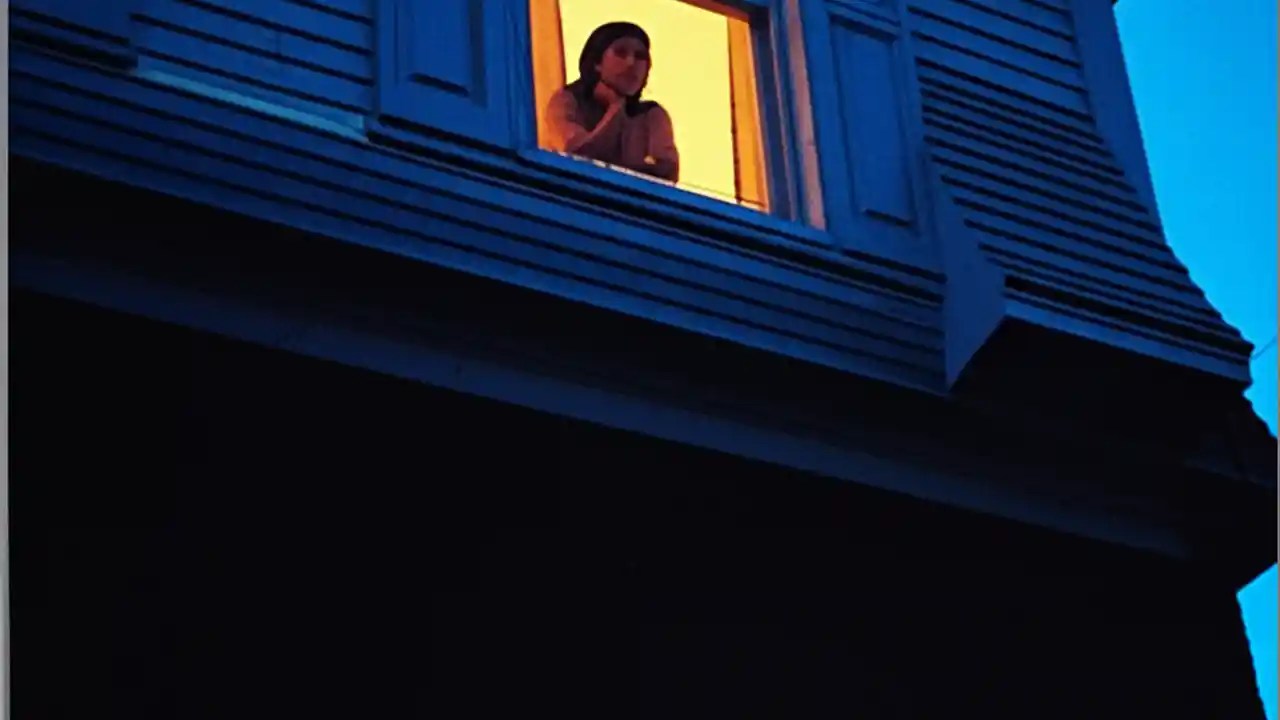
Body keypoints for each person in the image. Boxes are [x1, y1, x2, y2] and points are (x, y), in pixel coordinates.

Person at [544, 22, 680, 182]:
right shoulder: (567, 101)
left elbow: (667, 172)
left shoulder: (651, 115)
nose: (631, 63)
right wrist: (615, 108)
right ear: (597, 63)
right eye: (620, 53)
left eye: (640, 56)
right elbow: (579, 157)